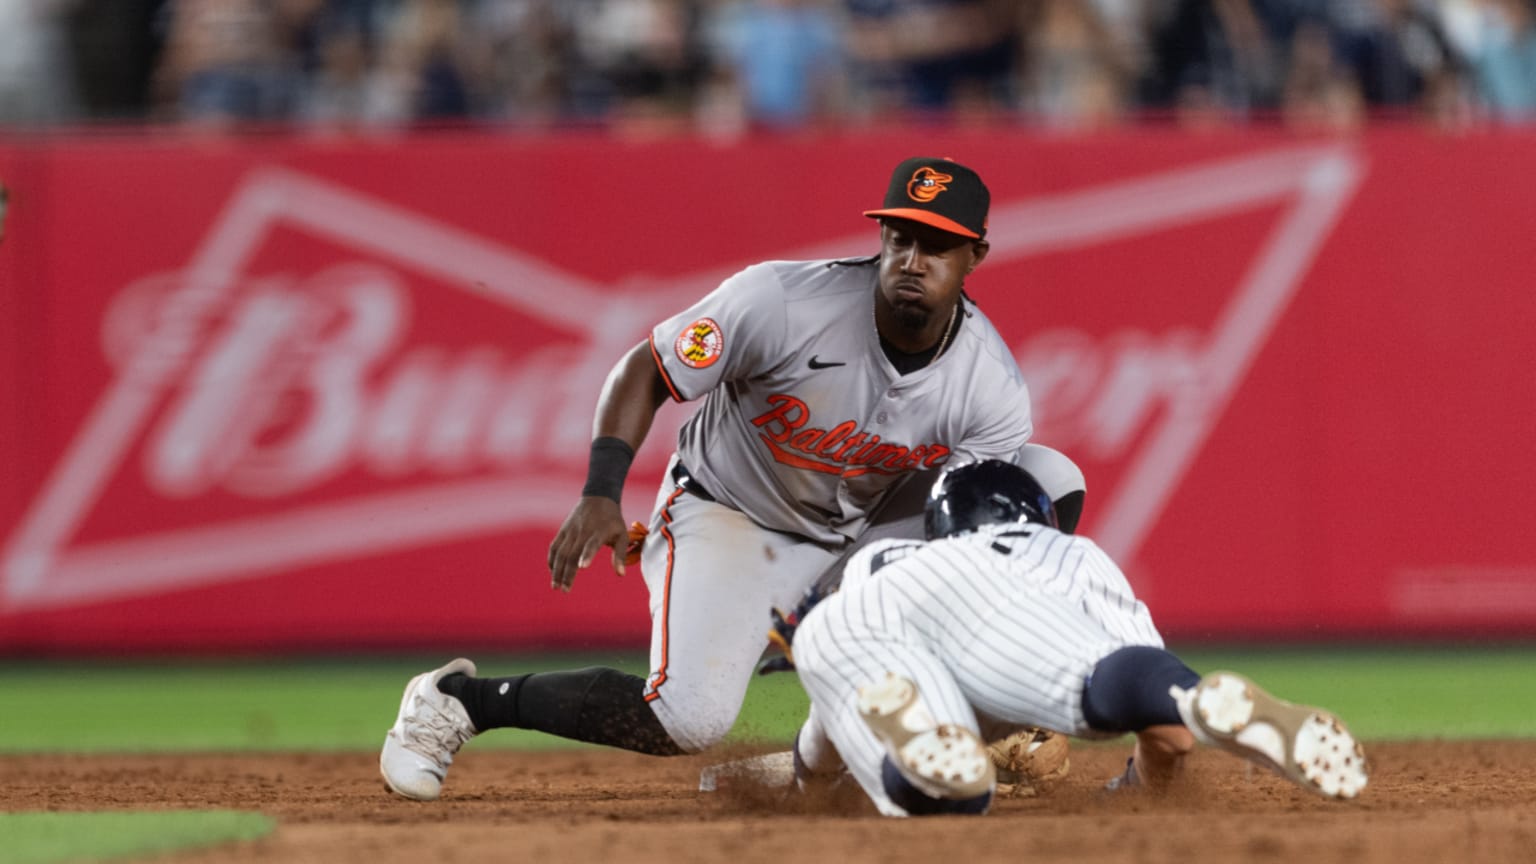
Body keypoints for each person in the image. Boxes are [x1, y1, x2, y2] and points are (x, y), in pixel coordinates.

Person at [380, 155, 1036, 801]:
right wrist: (601, 490)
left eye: (939, 247)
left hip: (858, 535)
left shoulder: (990, 386)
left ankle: (826, 769)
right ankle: (459, 703)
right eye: (902, 240)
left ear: (974, 256)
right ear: (882, 240)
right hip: (732, 514)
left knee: (1041, 481)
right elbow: (647, 370)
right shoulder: (781, 301)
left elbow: (961, 527)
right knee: (689, 719)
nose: (913, 260)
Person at [782, 459, 1369, 817]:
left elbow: (836, 695)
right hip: (1018, 636)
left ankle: (912, 745)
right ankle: (1194, 694)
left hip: (867, 622)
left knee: (910, 755)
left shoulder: (892, 557)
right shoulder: (1073, 554)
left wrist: (811, 773)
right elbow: (1168, 736)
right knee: (1102, 680)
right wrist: (1139, 786)